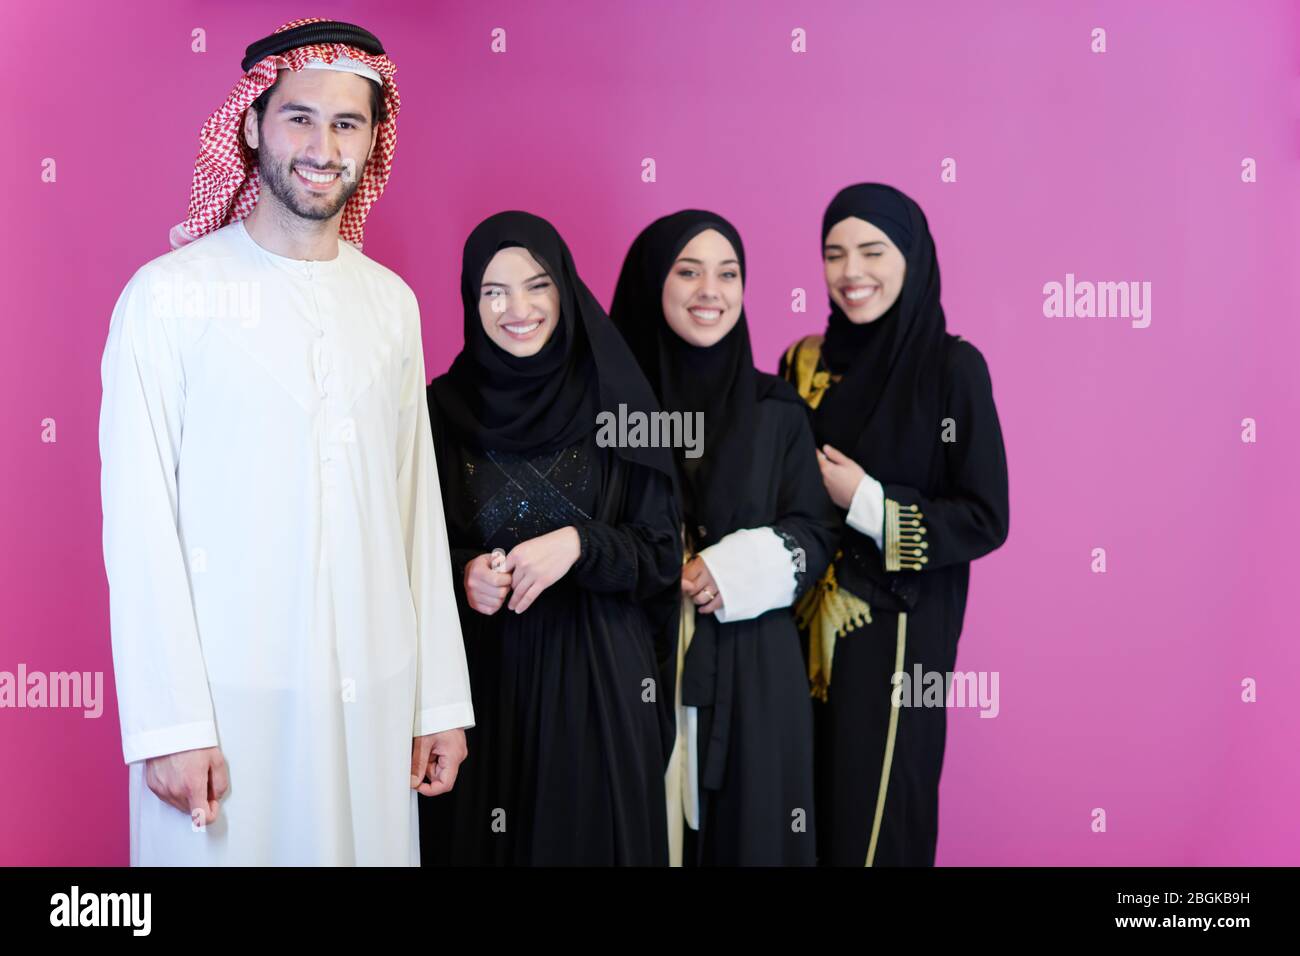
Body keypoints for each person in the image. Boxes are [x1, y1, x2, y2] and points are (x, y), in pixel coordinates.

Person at [99, 18, 473, 865]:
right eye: (299, 117)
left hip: (373, 700)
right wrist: (171, 723)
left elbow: (415, 516)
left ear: (372, 141)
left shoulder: (391, 306)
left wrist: (437, 701)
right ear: (250, 125)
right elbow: (139, 524)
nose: (322, 145)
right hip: (227, 715)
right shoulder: (168, 298)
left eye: (347, 124)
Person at [420, 211, 681, 865]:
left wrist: (580, 545)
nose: (518, 309)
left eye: (537, 285)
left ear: (564, 288)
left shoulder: (623, 404)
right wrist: (463, 571)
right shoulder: (440, 410)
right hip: (484, 688)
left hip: (601, 685)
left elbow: (661, 555)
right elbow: (411, 547)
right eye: (493, 291)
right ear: (470, 299)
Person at [779, 183, 1009, 866]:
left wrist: (869, 502)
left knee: (873, 822)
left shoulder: (950, 369)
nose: (852, 272)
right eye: (835, 254)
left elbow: (984, 516)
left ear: (912, 258)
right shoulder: (804, 363)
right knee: (797, 817)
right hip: (791, 636)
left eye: (873, 251)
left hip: (898, 643)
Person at [611, 210, 837, 865]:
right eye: (688, 271)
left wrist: (736, 566)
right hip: (630, 662)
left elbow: (814, 531)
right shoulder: (609, 413)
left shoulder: (776, 413)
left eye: (728, 273)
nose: (711, 290)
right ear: (653, 282)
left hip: (753, 674)